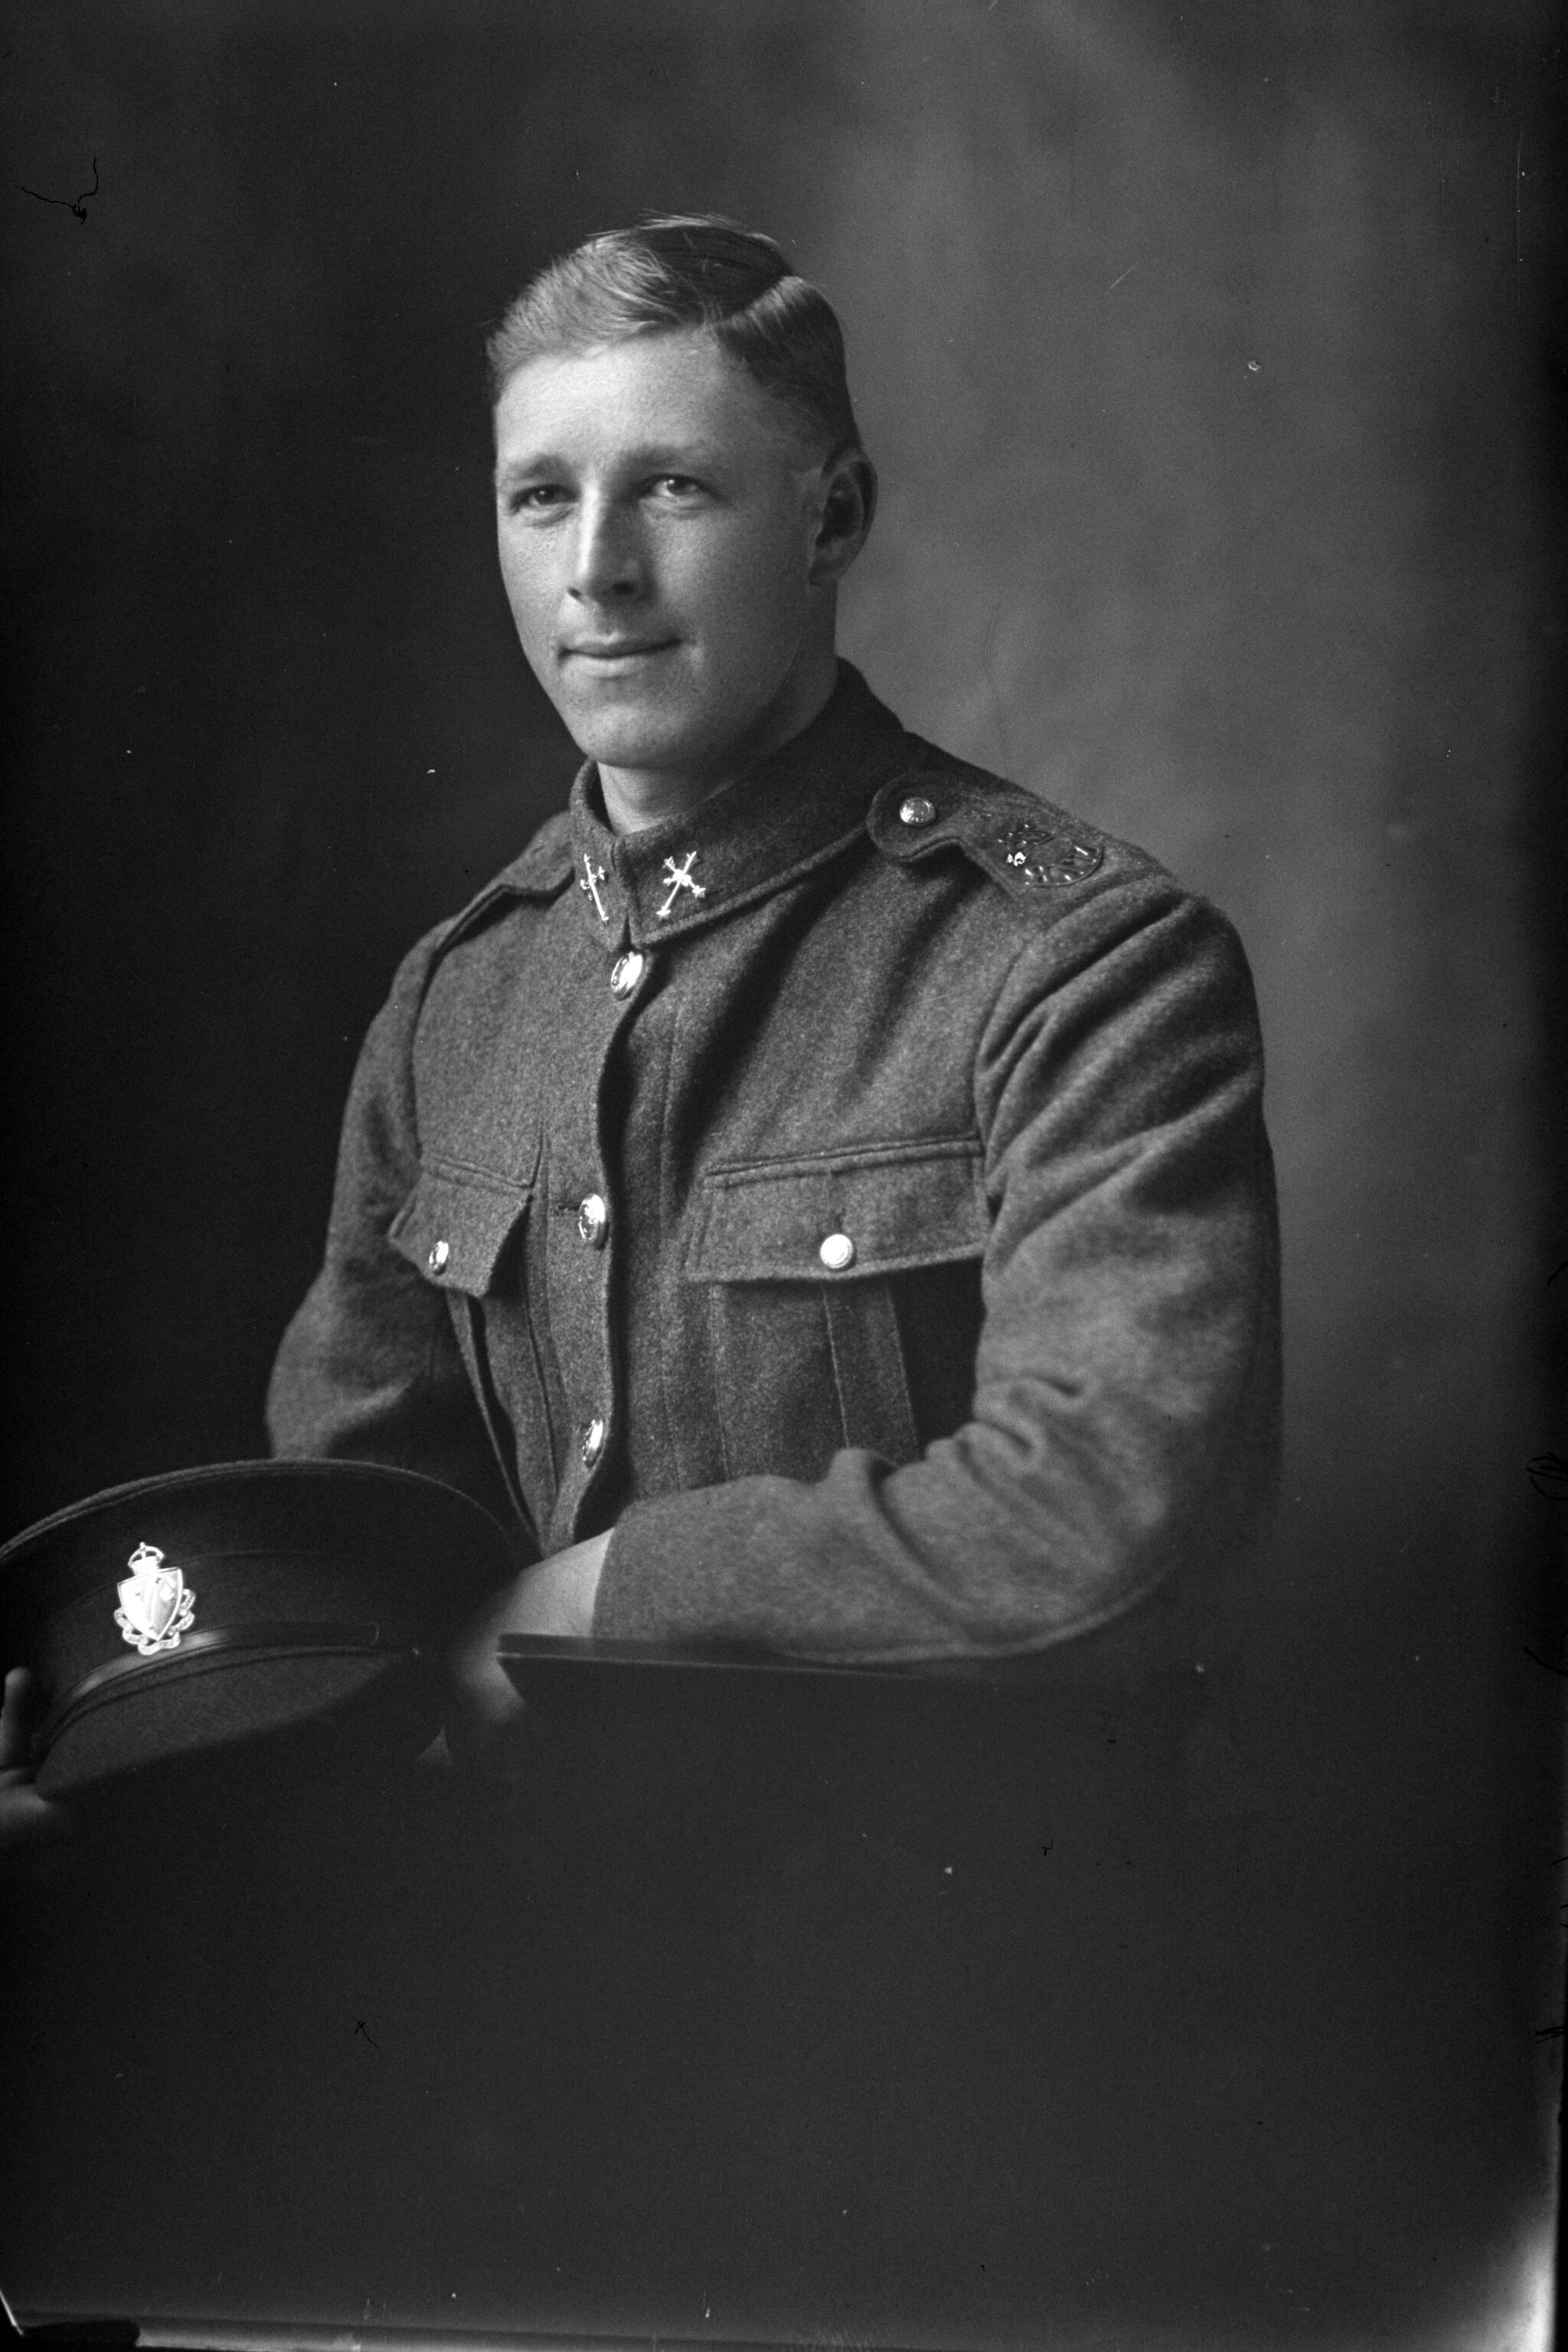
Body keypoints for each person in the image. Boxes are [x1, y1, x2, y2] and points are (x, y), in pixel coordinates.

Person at [264, 215, 1281, 1754]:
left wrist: (608, 1592)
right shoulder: (457, 998)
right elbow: (351, 1546)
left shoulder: (1079, 962)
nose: (597, 570)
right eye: (541, 498)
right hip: (508, 1926)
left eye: (672, 487)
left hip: (933, 1937)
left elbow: (1107, 1507)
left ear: (832, 517)